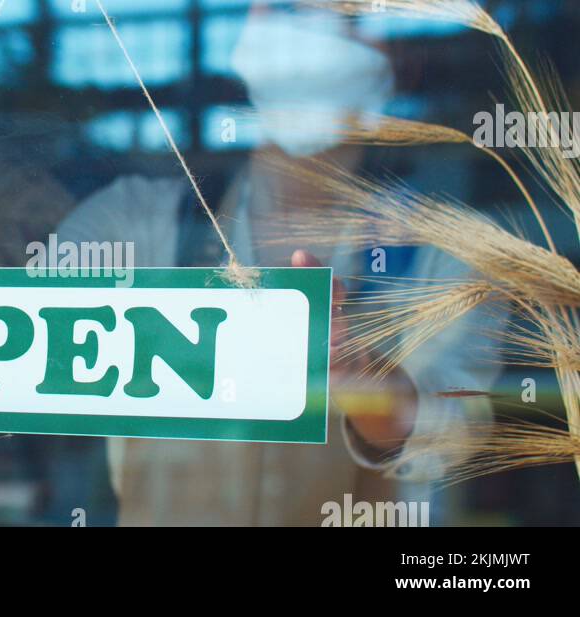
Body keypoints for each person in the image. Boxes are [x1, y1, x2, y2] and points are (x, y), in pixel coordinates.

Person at [55, 5, 503, 525]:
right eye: (291, 6)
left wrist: (375, 394)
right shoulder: (139, 221)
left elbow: (461, 433)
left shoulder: (444, 256)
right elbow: (23, 292)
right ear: (248, 32)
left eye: (350, 14)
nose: (313, 31)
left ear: (402, 60)